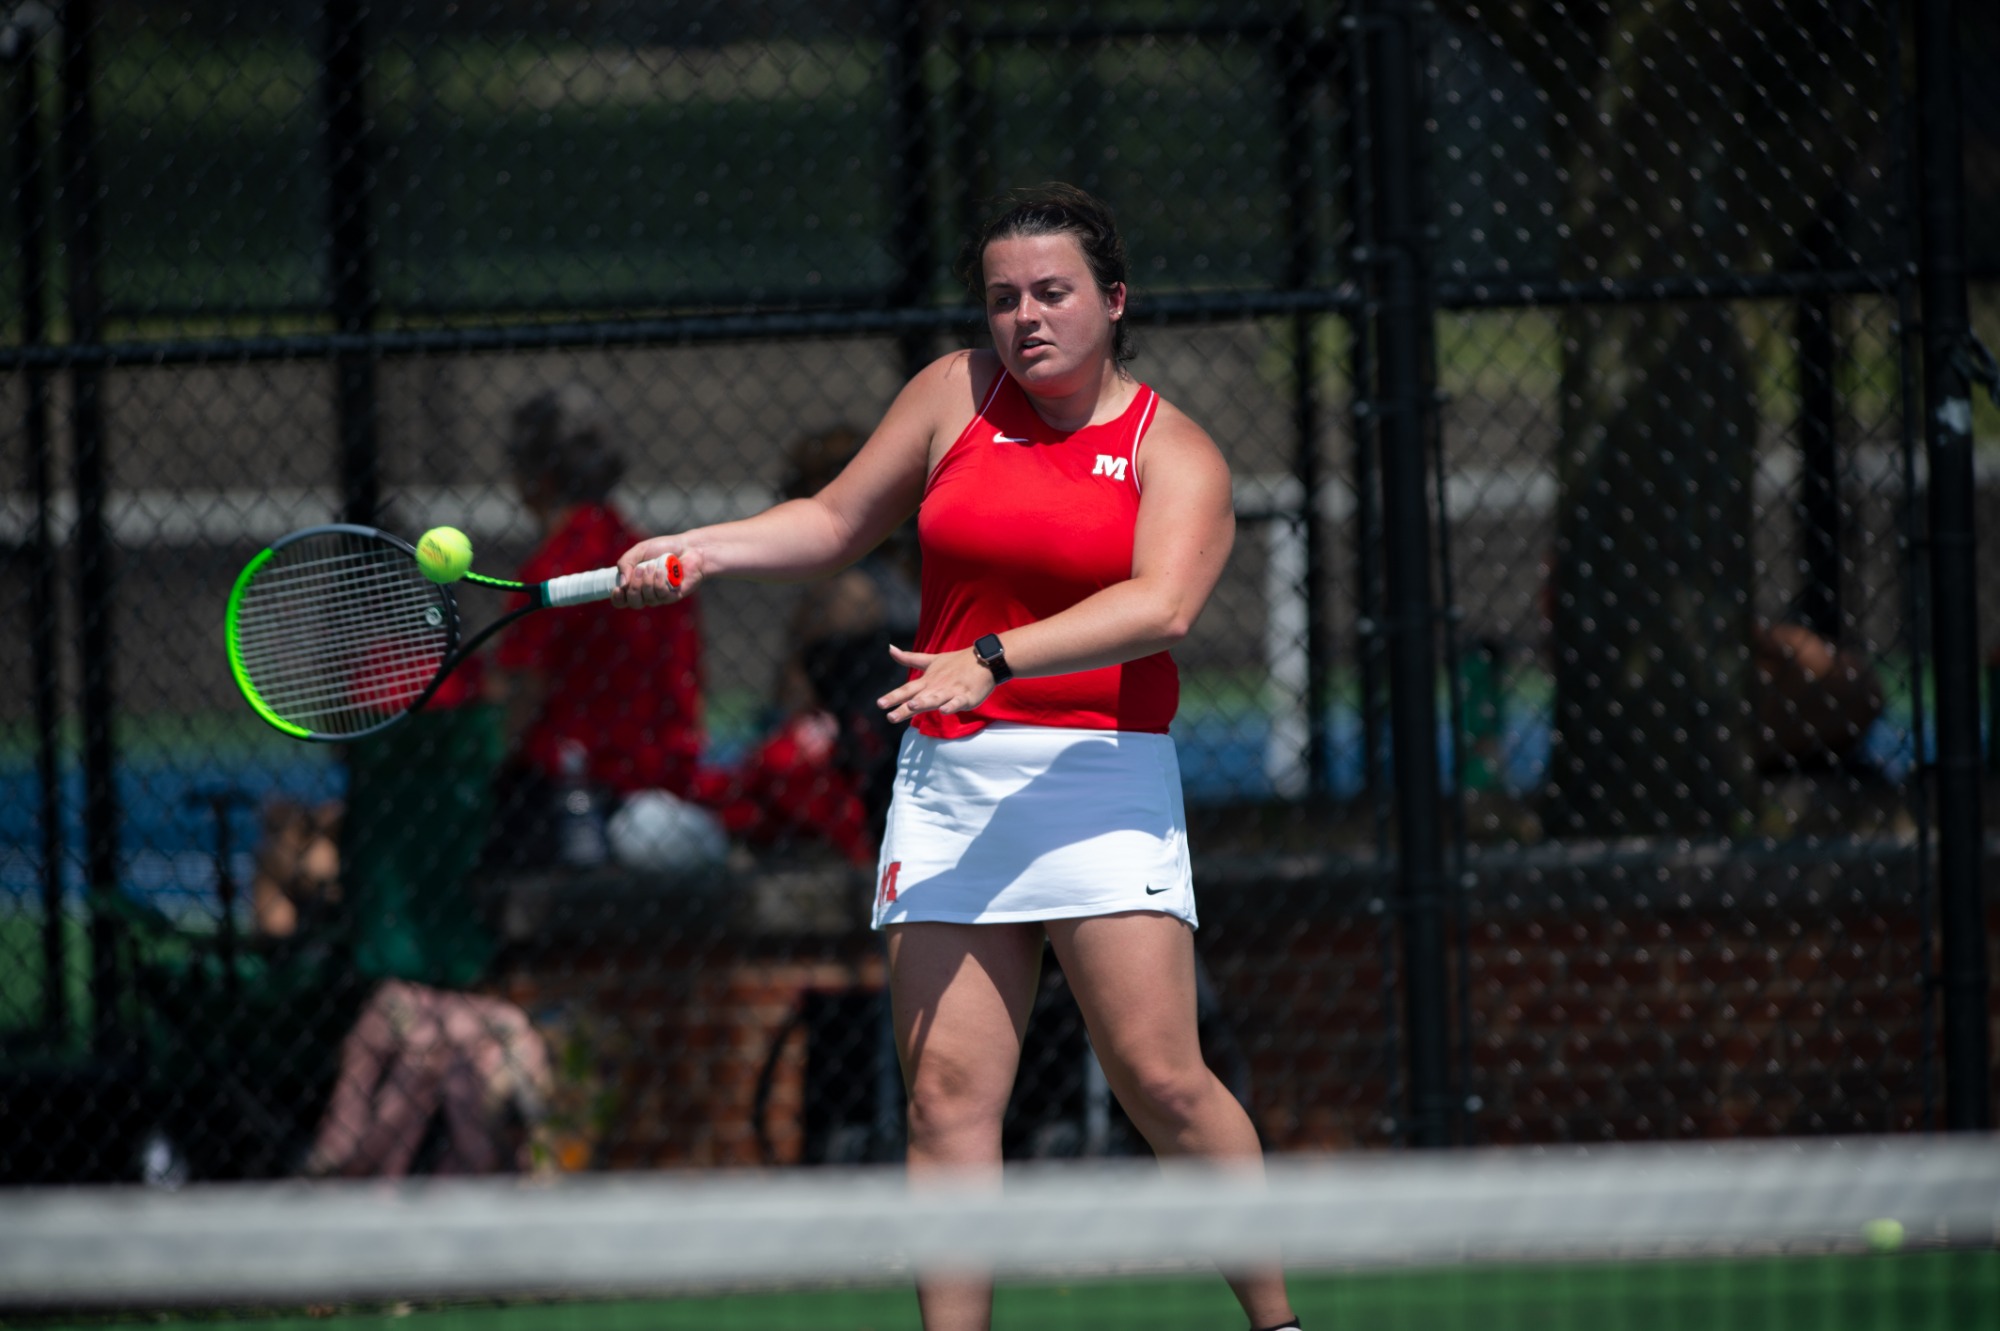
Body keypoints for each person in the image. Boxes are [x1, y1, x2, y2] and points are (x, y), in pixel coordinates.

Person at [613, 184, 1297, 1331]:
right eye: (1002, 297)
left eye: (1052, 292)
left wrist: (992, 656)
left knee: (1161, 1079)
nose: (1025, 317)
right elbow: (835, 521)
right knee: (943, 1100)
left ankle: (1278, 1325)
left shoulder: (1172, 449)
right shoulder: (951, 393)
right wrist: (704, 548)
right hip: (951, 780)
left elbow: (1162, 606)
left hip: (1099, 775)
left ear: (1113, 301)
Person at [486, 383, 712, 870]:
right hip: (663, 796)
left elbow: (523, 695)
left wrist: (486, 770)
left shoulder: (548, 569)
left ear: (538, 479)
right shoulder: (650, 556)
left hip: (576, 802)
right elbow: (696, 685)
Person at [689, 426, 923, 865]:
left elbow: (791, 703)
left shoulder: (843, 594)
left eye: (798, 488)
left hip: (860, 775)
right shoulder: (919, 572)